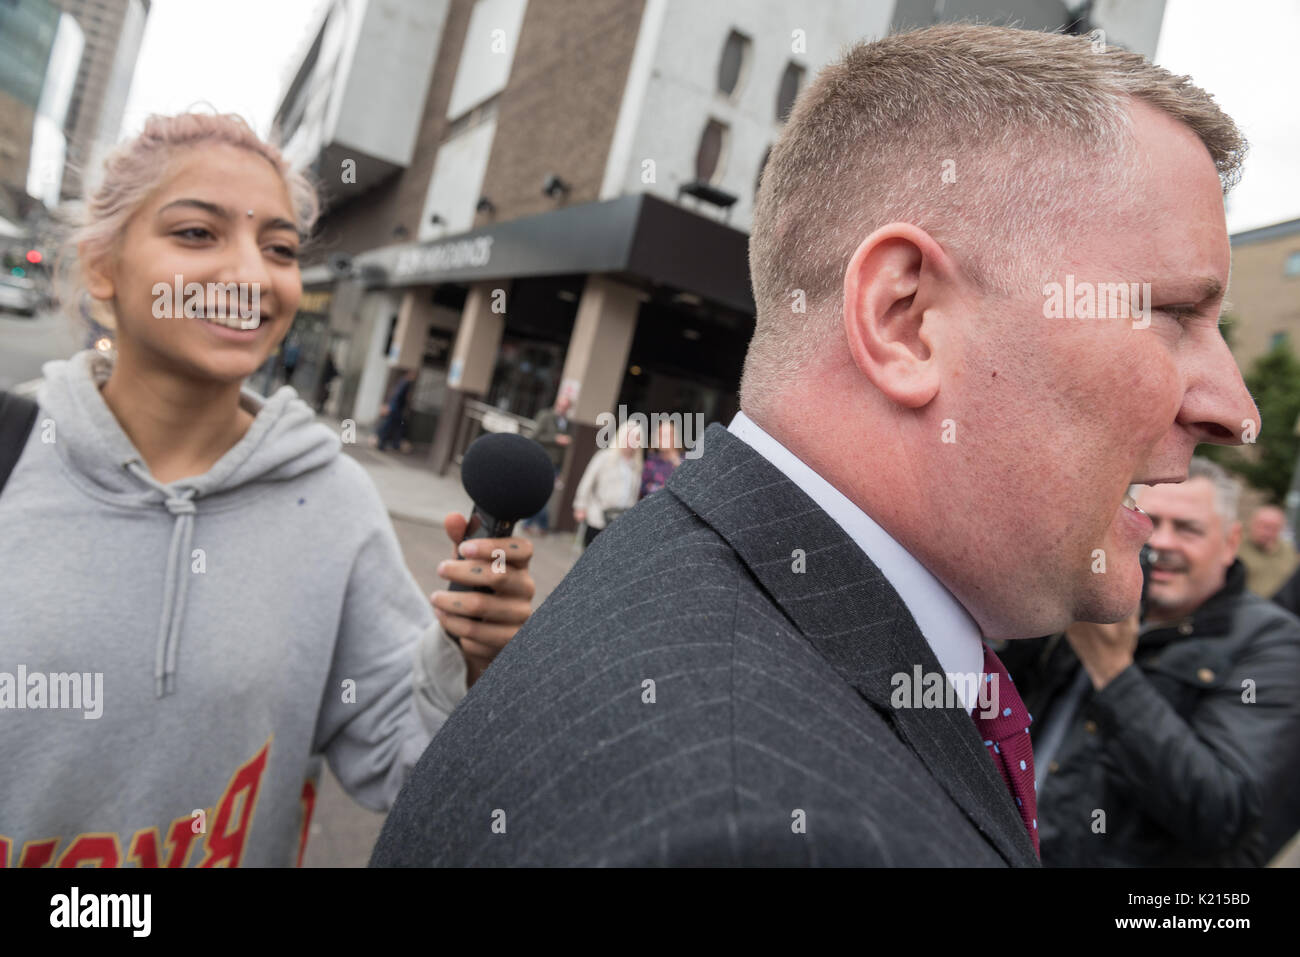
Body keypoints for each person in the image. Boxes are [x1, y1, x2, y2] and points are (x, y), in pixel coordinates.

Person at [371, 24, 1257, 867]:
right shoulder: (773, 836)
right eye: (1176, 314)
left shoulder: (689, 567)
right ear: (904, 318)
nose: (1232, 408)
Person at [0, 113, 536, 868]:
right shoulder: (12, 456)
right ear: (101, 267)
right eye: (196, 233)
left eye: (279, 248)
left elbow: (396, 758)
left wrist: (470, 664)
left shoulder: (334, 500)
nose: (251, 275)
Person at [999, 458, 1300, 866]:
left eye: (1188, 529)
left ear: (1231, 543)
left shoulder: (1274, 643)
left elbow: (1223, 814)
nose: (1162, 544)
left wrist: (1113, 672)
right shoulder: (1101, 604)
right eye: (1150, 522)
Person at [572, 419, 642, 548]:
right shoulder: (604, 457)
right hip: (598, 517)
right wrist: (580, 506)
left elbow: (633, 494)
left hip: (619, 522)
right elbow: (587, 481)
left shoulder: (636, 465)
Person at [520, 393, 573, 535]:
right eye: (561, 405)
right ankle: (538, 524)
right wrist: (555, 439)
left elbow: (563, 451)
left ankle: (533, 523)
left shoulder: (566, 422)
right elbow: (535, 436)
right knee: (540, 494)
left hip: (555, 464)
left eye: (565, 407)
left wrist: (561, 469)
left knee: (544, 494)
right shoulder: (545, 416)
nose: (562, 409)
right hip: (542, 460)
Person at [1237, 504, 1298, 598]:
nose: (1267, 532)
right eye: (1263, 525)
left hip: (1278, 609)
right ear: (1251, 523)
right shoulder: (1236, 547)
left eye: (1274, 527)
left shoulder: (1289, 553)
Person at [374, 367, 417, 452]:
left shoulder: (403, 382)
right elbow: (397, 396)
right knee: (390, 426)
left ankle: (392, 444)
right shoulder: (405, 383)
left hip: (395, 409)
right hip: (395, 409)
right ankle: (383, 443)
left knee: (397, 426)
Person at [639, 419, 683, 499]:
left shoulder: (686, 461)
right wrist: (656, 489)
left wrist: (676, 461)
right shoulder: (651, 461)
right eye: (660, 435)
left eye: (667, 435)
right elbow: (643, 486)